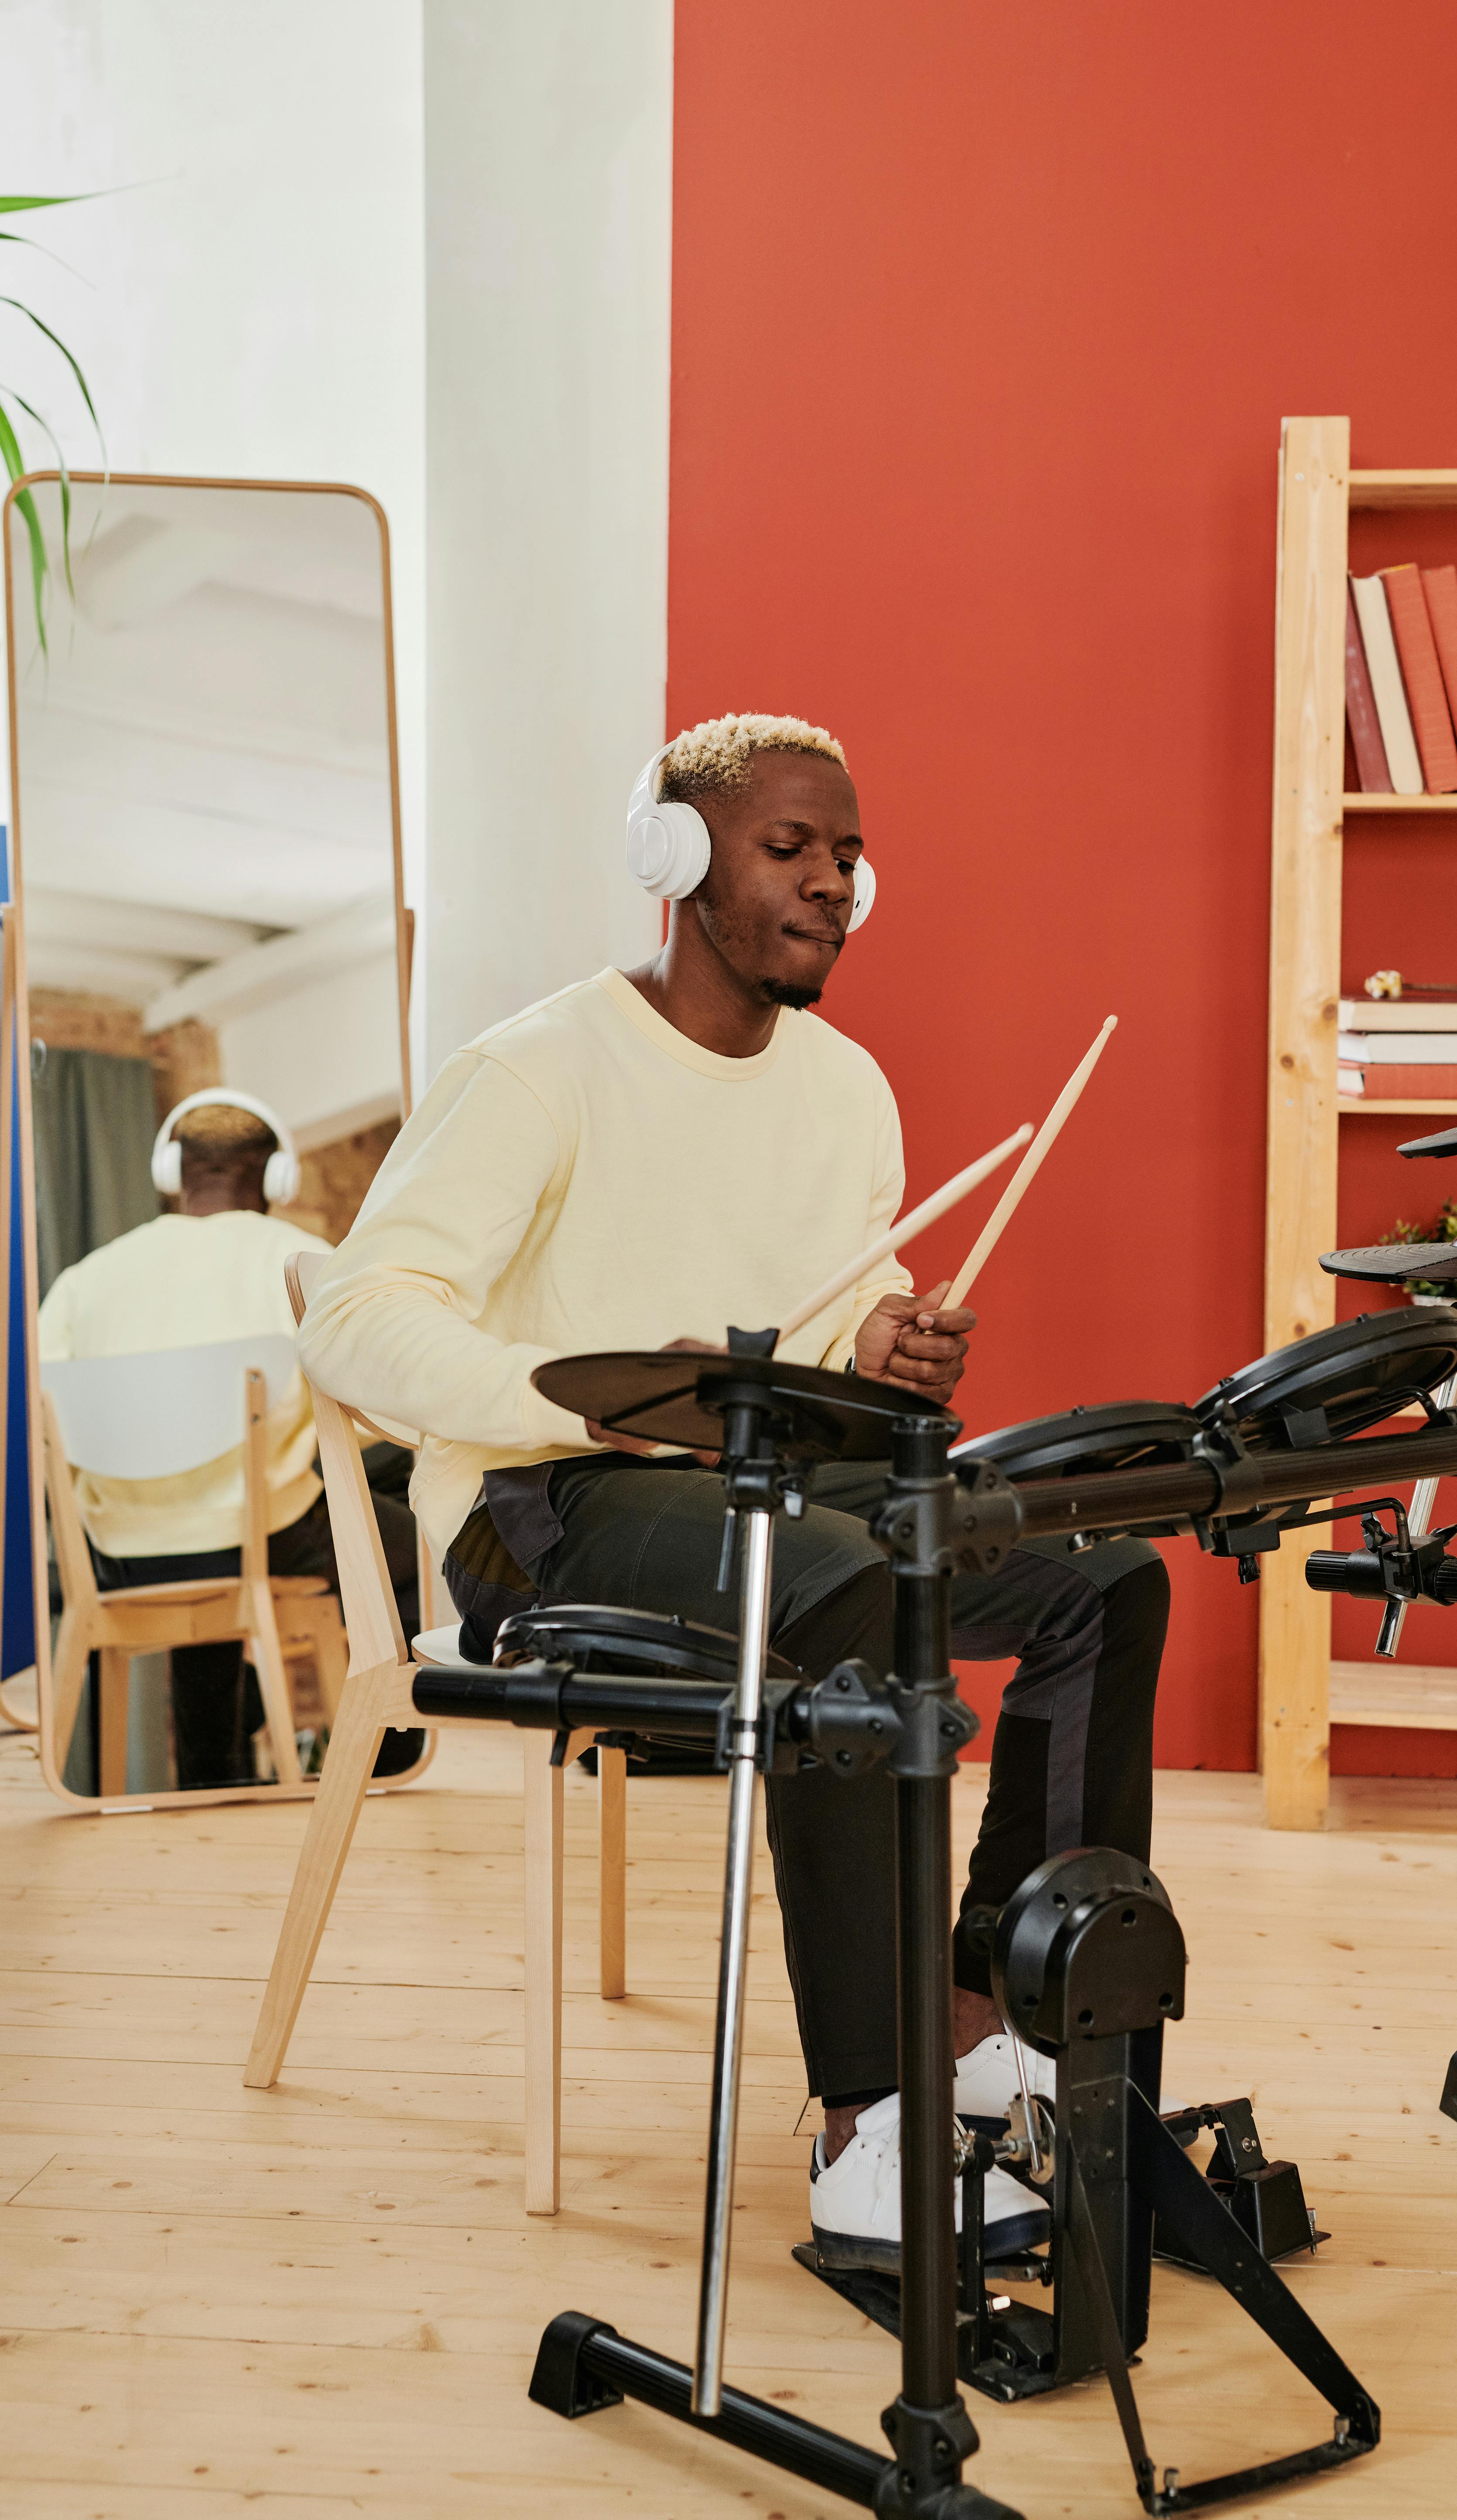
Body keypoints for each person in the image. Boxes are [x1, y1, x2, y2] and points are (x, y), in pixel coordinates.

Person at [299, 713, 1168, 2267]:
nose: (836, 881)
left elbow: (829, 1318)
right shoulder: (539, 1068)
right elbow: (356, 1321)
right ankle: (866, 2122)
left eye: (849, 855)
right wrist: (607, 1398)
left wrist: (883, 1345)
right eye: (794, 848)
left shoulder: (845, 1088)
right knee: (828, 1581)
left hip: (773, 1482)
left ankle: (987, 2017)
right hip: (547, 1507)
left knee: (1100, 1578)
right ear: (681, 861)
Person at [38, 1094, 421, 1790]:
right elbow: (376, 1397)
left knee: (213, 1523)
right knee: (416, 1545)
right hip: (257, 1534)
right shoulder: (297, 1260)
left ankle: (215, 1776)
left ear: (171, 1172)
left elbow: (45, 1417)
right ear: (277, 1179)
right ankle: (388, 1762)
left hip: (120, 1555)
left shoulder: (85, 1278)